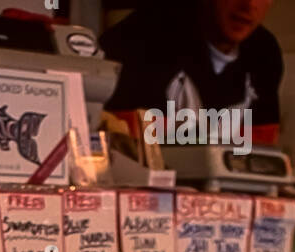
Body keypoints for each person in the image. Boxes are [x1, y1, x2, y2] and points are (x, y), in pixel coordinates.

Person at [101, 0, 284, 146]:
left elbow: (263, 150)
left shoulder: (264, 52)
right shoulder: (140, 37)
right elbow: (120, 142)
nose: (249, 4)